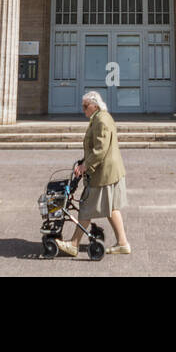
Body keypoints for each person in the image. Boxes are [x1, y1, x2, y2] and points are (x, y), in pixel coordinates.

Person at [56, 91, 131, 256]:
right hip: (108, 171)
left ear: (95, 105)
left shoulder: (101, 120)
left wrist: (85, 166)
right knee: (111, 207)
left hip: (103, 173)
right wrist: (84, 161)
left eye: (85, 106)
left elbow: (100, 149)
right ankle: (123, 243)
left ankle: (74, 244)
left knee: (86, 206)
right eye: (82, 106)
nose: (83, 110)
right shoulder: (99, 118)